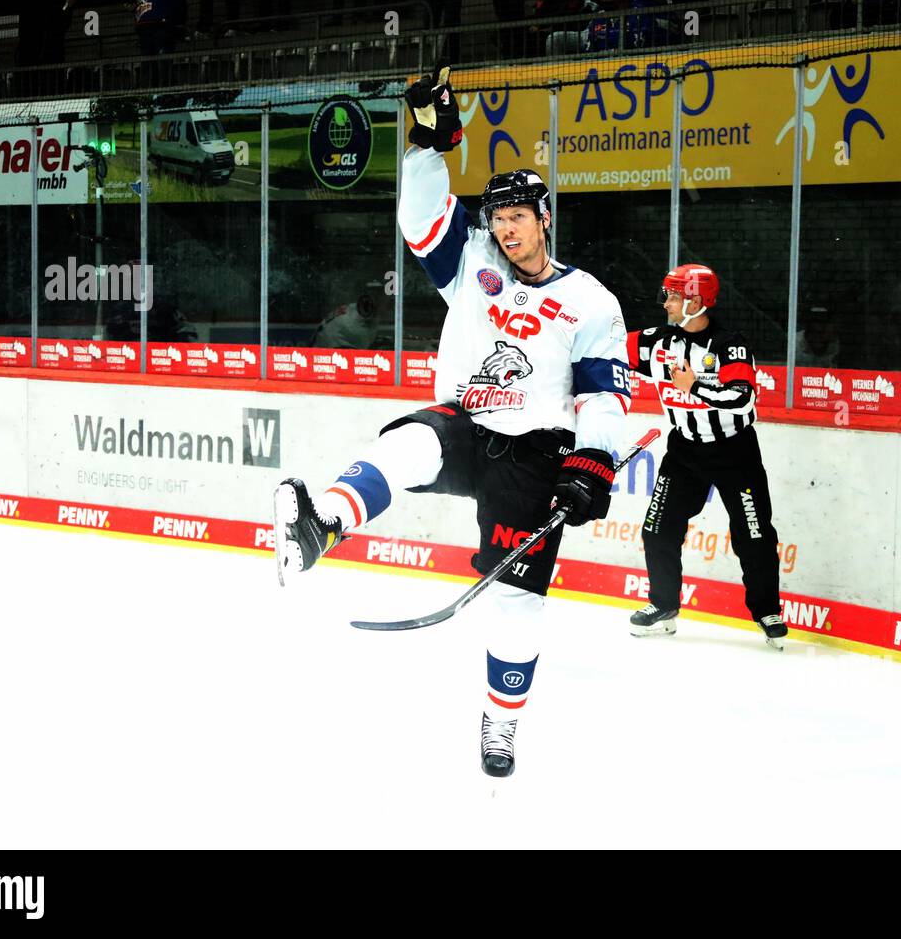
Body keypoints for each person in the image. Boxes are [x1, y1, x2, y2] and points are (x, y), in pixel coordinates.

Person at [274, 67, 631, 779]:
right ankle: (323, 524)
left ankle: (501, 724)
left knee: (517, 603)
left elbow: (602, 396)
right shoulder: (471, 265)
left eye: (518, 216)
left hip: (534, 456)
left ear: (544, 217)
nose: (505, 228)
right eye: (497, 217)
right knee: (409, 441)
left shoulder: (591, 301)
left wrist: (591, 463)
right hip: (469, 427)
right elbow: (421, 221)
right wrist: (425, 148)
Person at [625, 263, 786, 647]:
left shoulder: (729, 344)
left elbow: (742, 396)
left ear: (696, 301)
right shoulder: (657, 341)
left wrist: (694, 386)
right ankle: (664, 606)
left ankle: (766, 610)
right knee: (657, 529)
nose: (666, 304)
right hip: (684, 451)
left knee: (754, 533)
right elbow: (606, 345)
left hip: (735, 451)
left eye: (674, 296)